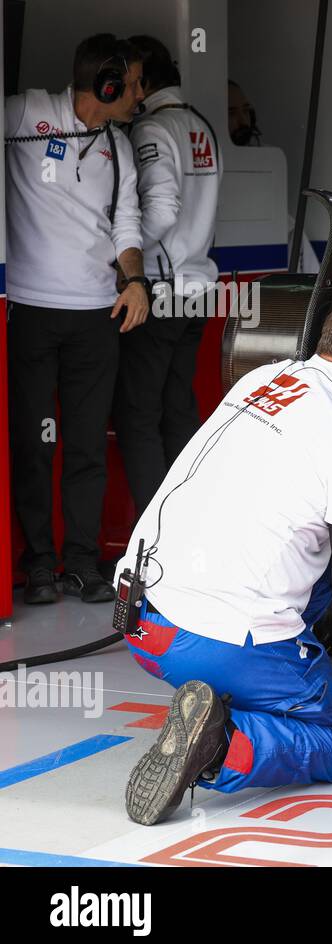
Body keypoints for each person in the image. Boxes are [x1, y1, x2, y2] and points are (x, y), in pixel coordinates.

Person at [119, 291, 332, 825]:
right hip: (211, 638)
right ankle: (219, 744)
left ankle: (231, 701)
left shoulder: (265, 379)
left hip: (141, 619)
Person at [4, 34, 150, 605]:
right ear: (106, 86)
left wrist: (134, 279)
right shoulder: (26, 113)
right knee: (36, 444)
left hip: (96, 316)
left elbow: (127, 225)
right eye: (132, 84)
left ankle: (82, 564)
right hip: (30, 311)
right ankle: (40, 565)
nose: (139, 94)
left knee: (87, 445)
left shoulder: (121, 147)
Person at [114, 35, 223, 512]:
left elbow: (159, 212)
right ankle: (185, 521)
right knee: (178, 409)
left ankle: (151, 535)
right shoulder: (202, 126)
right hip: (200, 287)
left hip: (161, 290)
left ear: (147, 80)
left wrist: (118, 256)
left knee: (138, 414)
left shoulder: (152, 130)